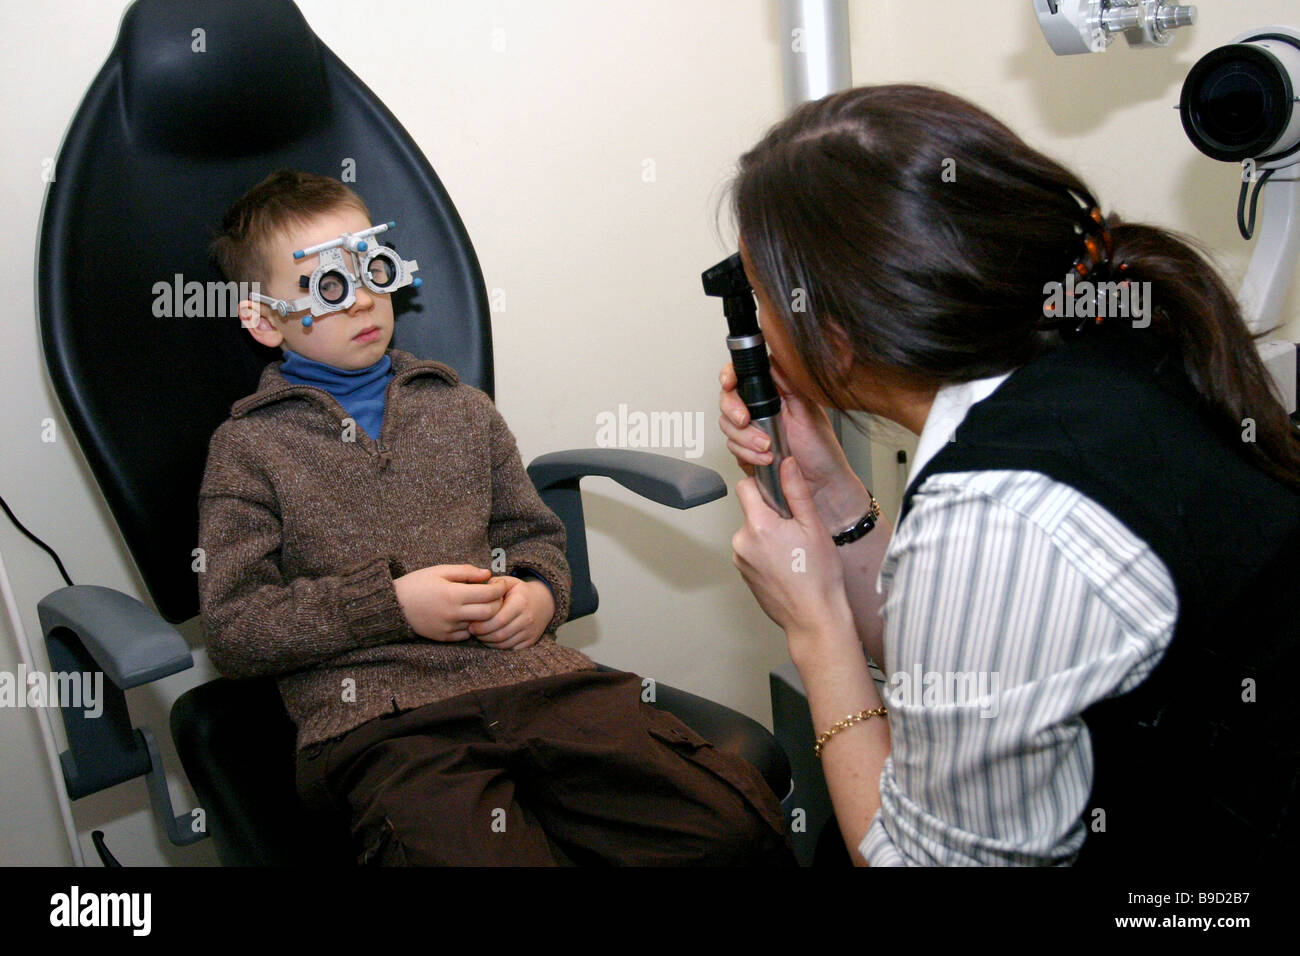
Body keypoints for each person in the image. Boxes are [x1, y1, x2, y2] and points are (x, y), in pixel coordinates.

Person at [718, 84, 1300, 867]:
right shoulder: (1123, 340)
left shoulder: (998, 510)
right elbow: (986, 661)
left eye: (761, 300)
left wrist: (815, 631)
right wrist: (835, 500)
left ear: (836, 339)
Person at [198, 169, 794, 866]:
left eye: (370, 268)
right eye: (325, 285)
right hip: (383, 722)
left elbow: (532, 536)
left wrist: (538, 593)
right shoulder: (249, 449)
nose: (360, 296)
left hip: (536, 682)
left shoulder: (461, 411)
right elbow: (236, 627)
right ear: (264, 319)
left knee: (730, 826)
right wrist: (389, 605)